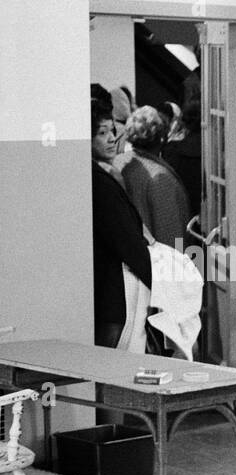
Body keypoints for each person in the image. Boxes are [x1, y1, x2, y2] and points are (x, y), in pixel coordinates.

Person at [90, 98, 153, 349]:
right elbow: (125, 238)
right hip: (109, 291)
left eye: (112, 131)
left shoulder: (101, 175)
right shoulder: (99, 182)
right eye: (101, 133)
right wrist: (155, 277)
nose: (111, 139)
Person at [114, 106, 191, 253]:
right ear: (162, 137)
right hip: (156, 258)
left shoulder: (118, 162)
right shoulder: (160, 177)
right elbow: (171, 234)